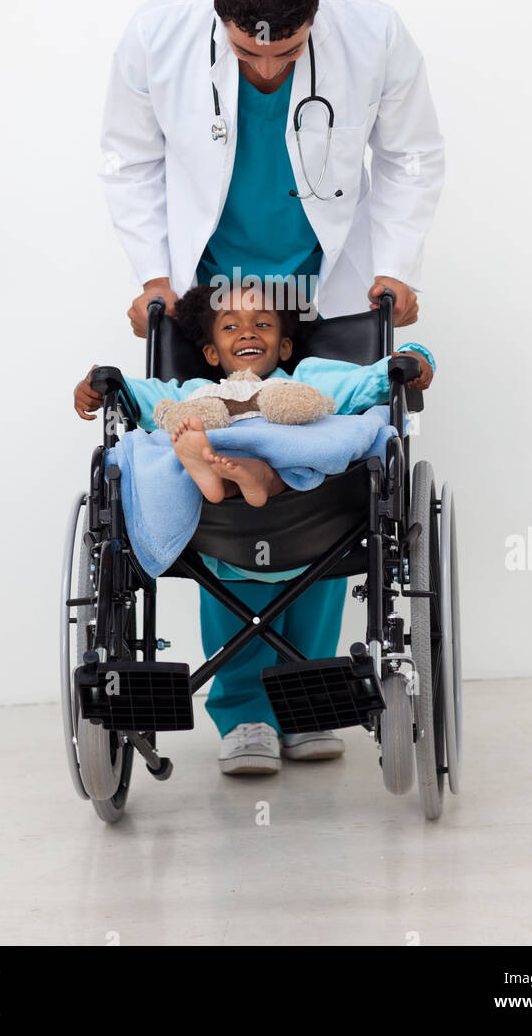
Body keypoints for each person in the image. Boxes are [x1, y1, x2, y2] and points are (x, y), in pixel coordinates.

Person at [74, 285, 436, 776]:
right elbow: (144, 397)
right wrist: (104, 383)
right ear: (211, 352)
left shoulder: (309, 378)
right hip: (226, 534)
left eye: (262, 323)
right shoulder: (198, 392)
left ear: (285, 345)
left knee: (338, 431)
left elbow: (369, 381)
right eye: (231, 326)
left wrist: (414, 356)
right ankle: (248, 721)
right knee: (178, 435)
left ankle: (308, 710)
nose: (247, 332)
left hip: (315, 520)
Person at [99, 0, 445, 336]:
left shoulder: (375, 31)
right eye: (246, 52)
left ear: (314, 16)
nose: (267, 70)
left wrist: (394, 268)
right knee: (211, 376)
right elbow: (130, 163)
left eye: (288, 52)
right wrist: (155, 278)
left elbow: (410, 156)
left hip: (332, 281)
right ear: (219, 15)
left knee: (340, 378)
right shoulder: (154, 34)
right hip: (208, 285)